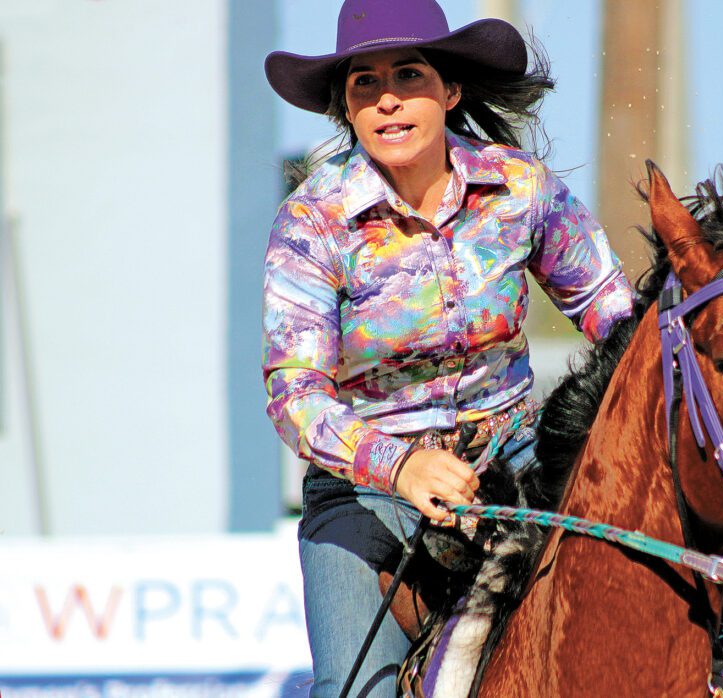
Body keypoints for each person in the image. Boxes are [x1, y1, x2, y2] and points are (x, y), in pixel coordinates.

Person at [261, 1, 634, 695]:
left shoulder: (521, 188)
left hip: (520, 461)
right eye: (364, 85)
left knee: (684, 565)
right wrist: (400, 467)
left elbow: (613, 314)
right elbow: (296, 398)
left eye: (408, 75)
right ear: (347, 107)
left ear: (451, 90)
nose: (388, 101)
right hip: (365, 495)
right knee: (353, 686)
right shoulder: (312, 221)